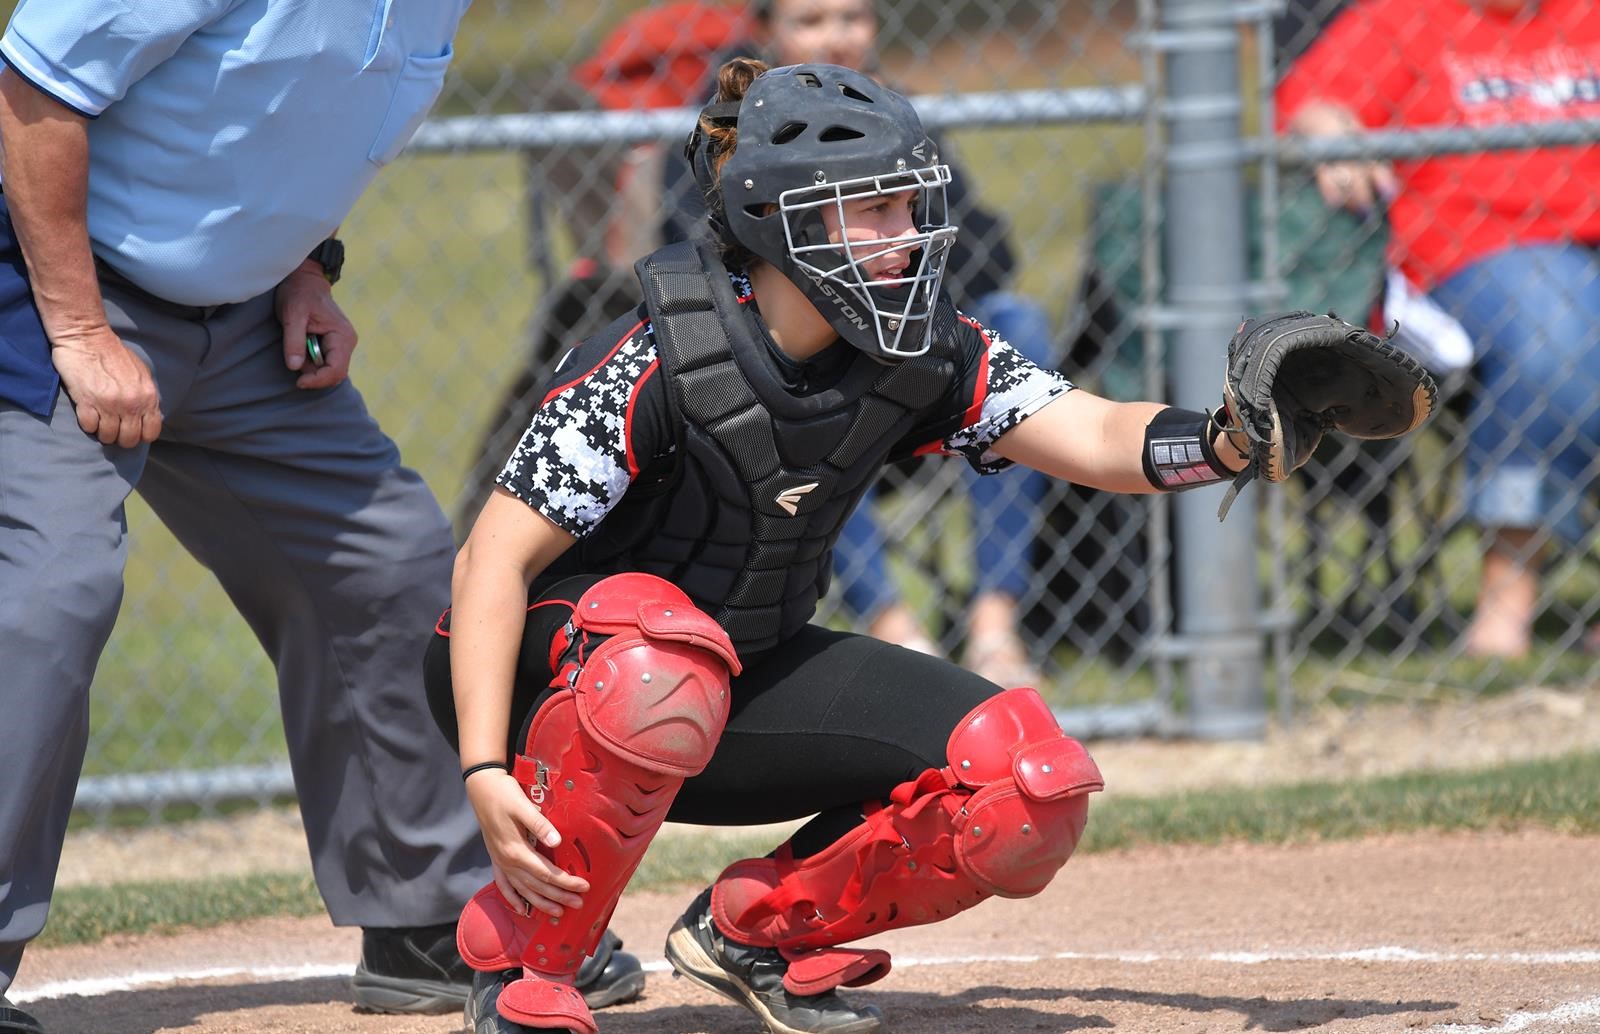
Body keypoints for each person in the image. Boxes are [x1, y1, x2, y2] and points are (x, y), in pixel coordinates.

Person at [424, 60, 1429, 1034]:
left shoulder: (921, 347)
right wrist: (483, 768)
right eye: (874, 209)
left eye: (909, 205)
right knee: (657, 665)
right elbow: (489, 565)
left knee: (1026, 782)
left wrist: (1226, 441)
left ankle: (758, 931)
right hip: (544, 679)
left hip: (734, 671)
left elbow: (1089, 432)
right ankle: (529, 963)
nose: (906, 234)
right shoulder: (657, 355)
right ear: (783, 219)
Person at [0, 3, 641, 1031]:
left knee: (387, 563)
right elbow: (33, 87)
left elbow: (293, 127)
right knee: (47, 593)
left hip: (241, 316)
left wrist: (303, 268)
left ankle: (429, 912)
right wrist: (77, 328)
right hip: (48, 285)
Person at [660, 0, 1055, 683]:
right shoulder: (727, 130)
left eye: (853, 17)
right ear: (766, 31)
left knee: (1016, 319)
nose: (837, 37)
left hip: (913, 369)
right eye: (810, 20)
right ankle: (895, 629)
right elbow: (697, 265)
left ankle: (995, 627)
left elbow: (988, 248)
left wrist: (883, 278)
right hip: (793, 393)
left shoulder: (888, 117)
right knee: (809, 363)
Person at [1277, 0, 1600, 658]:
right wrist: (1331, 130)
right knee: (1555, 326)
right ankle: (1505, 609)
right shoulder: (1407, 16)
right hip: (1469, 260)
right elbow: (1310, 105)